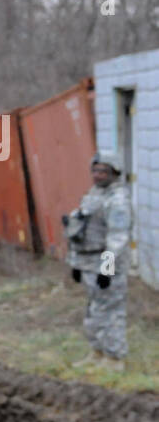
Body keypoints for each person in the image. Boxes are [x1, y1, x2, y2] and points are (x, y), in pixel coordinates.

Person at [66, 155, 132, 372]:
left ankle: (114, 359)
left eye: (103, 171)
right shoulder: (94, 196)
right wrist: (75, 263)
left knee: (110, 310)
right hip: (88, 261)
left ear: (114, 172)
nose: (97, 175)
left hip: (107, 264)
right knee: (94, 309)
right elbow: (79, 230)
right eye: (95, 170)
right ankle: (97, 352)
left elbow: (117, 237)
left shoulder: (118, 200)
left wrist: (107, 269)